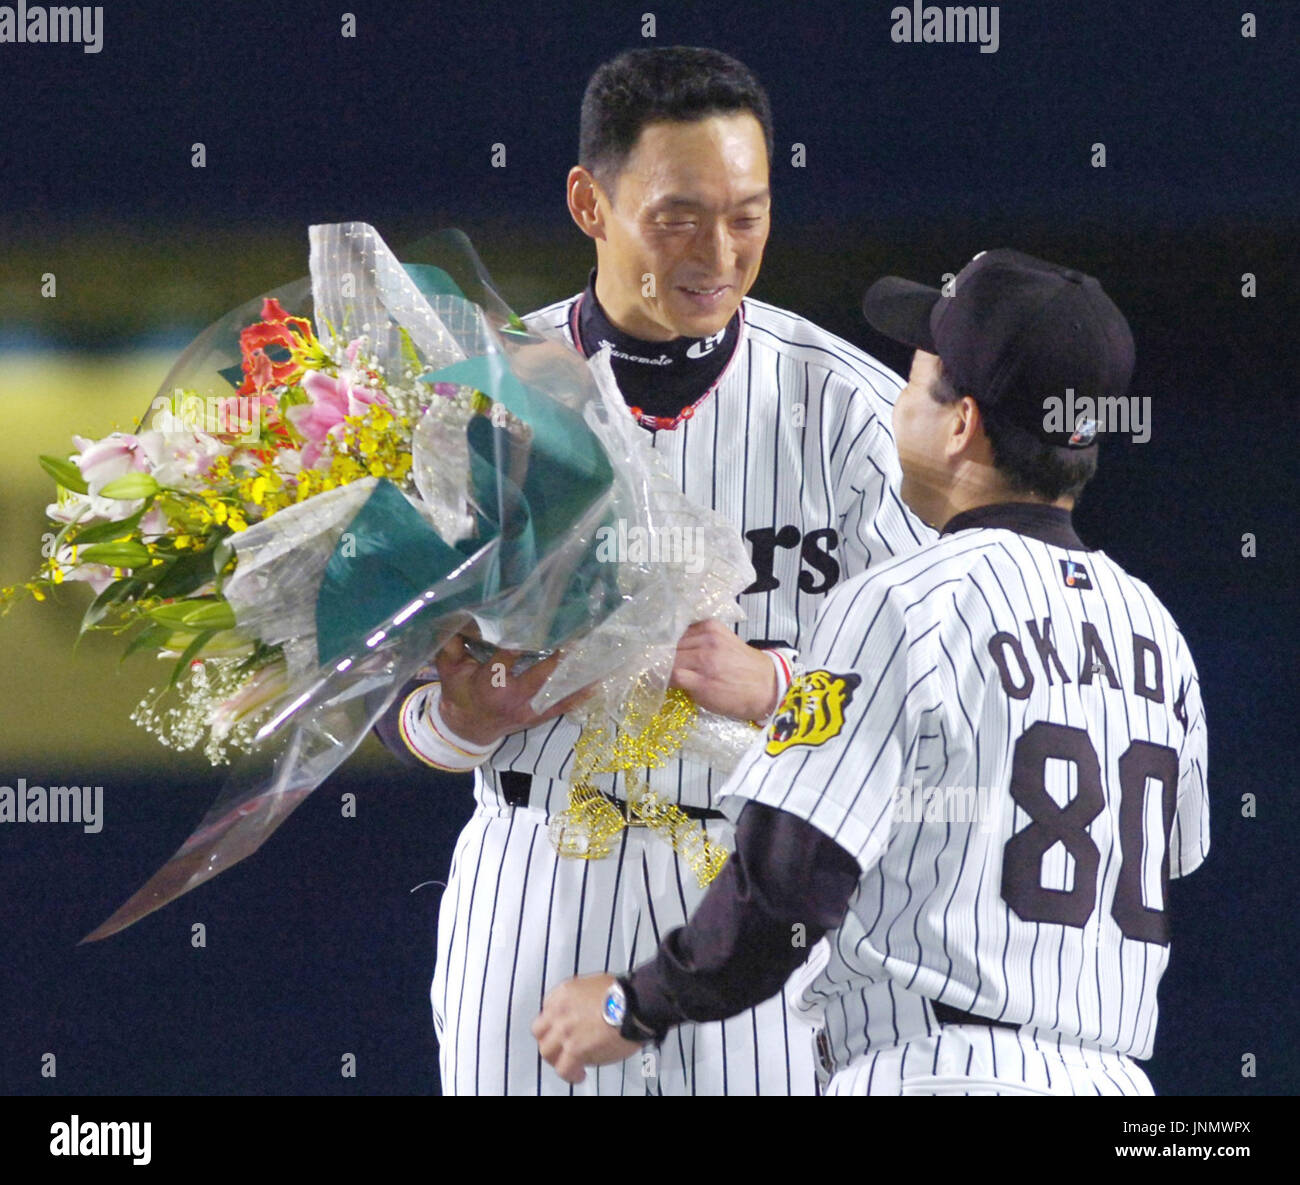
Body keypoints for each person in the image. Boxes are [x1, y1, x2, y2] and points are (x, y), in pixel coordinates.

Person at [377, 46, 931, 1096]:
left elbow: (933, 705)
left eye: (747, 213)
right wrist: (464, 720)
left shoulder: (851, 413)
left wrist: (776, 687)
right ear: (590, 201)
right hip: (533, 873)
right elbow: (382, 699)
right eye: (678, 215)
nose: (718, 250)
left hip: (754, 889)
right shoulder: (477, 402)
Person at [533, 248, 1209, 1096]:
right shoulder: (1157, 631)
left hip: (935, 1070)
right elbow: (1170, 860)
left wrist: (638, 1004)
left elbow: (785, 888)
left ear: (963, 423)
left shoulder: (899, 602)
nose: (896, 398)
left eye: (917, 375)